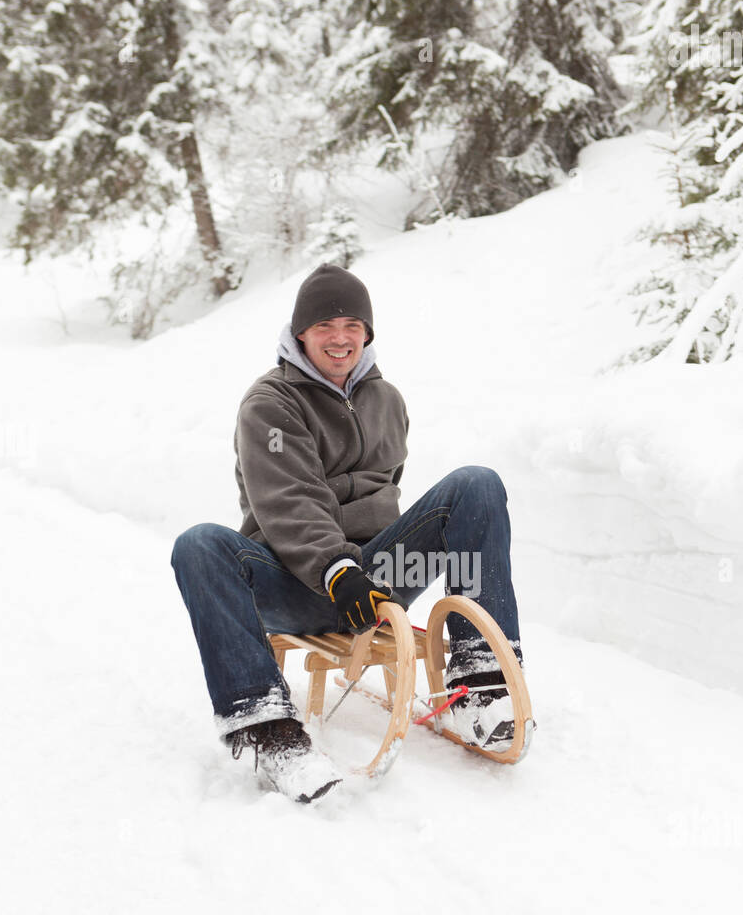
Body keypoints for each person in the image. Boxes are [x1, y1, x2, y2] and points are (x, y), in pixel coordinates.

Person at [171, 263, 526, 803]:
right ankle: (271, 733)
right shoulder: (269, 404)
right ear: (300, 335)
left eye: (352, 325)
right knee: (199, 544)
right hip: (295, 582)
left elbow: (389, 494)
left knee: (475, 483)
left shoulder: (389, 402)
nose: (340, 338)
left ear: (367, 334)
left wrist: (370, 567)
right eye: (324, 326)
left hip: (378, 580)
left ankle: (479, 682)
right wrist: (336, 568)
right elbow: (289, 500)